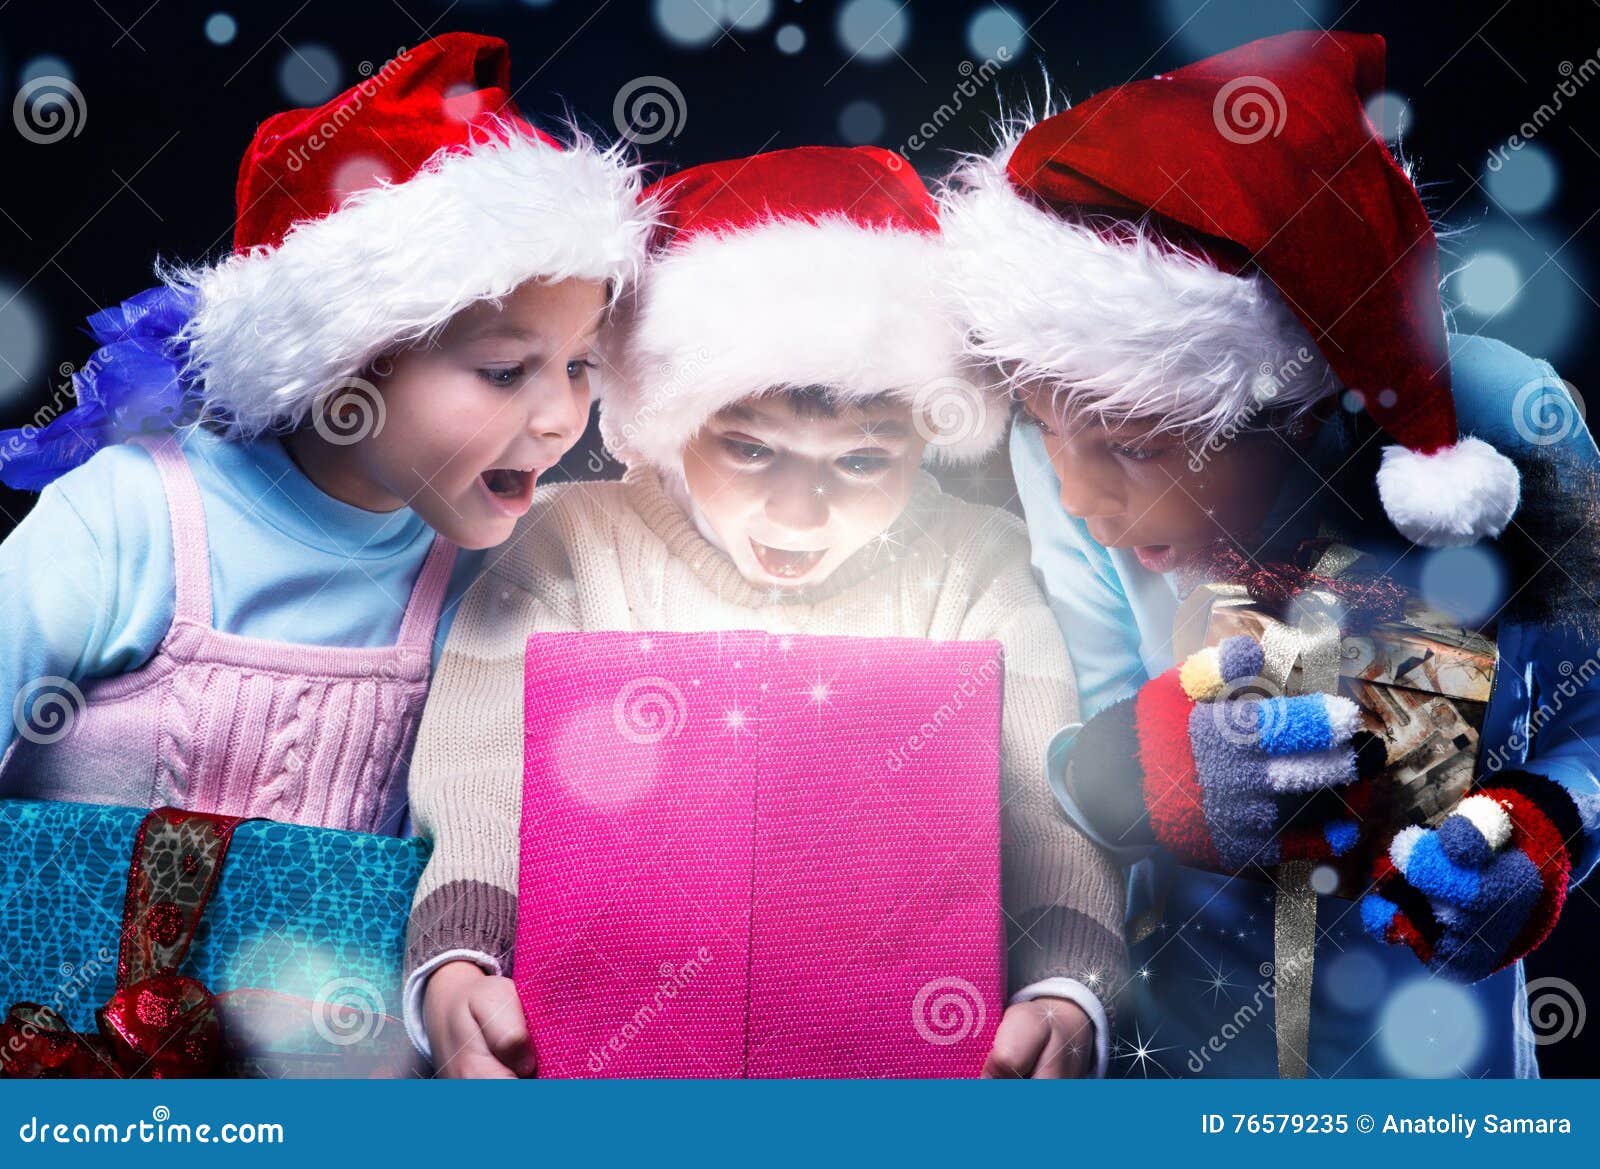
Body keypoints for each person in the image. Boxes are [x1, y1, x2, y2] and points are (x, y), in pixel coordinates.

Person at [940, 31, 1600, 1076]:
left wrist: (1555, 821)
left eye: (1131, 446)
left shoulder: (1508, 423)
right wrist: (1137, 766)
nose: (1078, 500)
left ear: (1286, 405)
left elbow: (1590, 711)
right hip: (1175, 1068)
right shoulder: (1058, 459)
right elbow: (1056, 754)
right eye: (1040, 426)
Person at [403, 145, 1127, 1078]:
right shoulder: (569, 544)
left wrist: (1067, 989)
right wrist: (458, 967)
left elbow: (1044, 803)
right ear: (668, 415)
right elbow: (480, 776)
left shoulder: (973, 565)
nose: (799, 512)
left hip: (891, 1067)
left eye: (862, 461)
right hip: (602, 1062)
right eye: (749, 449)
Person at [0, 32, 652, 834]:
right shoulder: (127, 518)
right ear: (344, 361)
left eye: (581, 364)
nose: (561, 419)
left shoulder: (487, 576)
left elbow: (490, 835)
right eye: (505, 371)